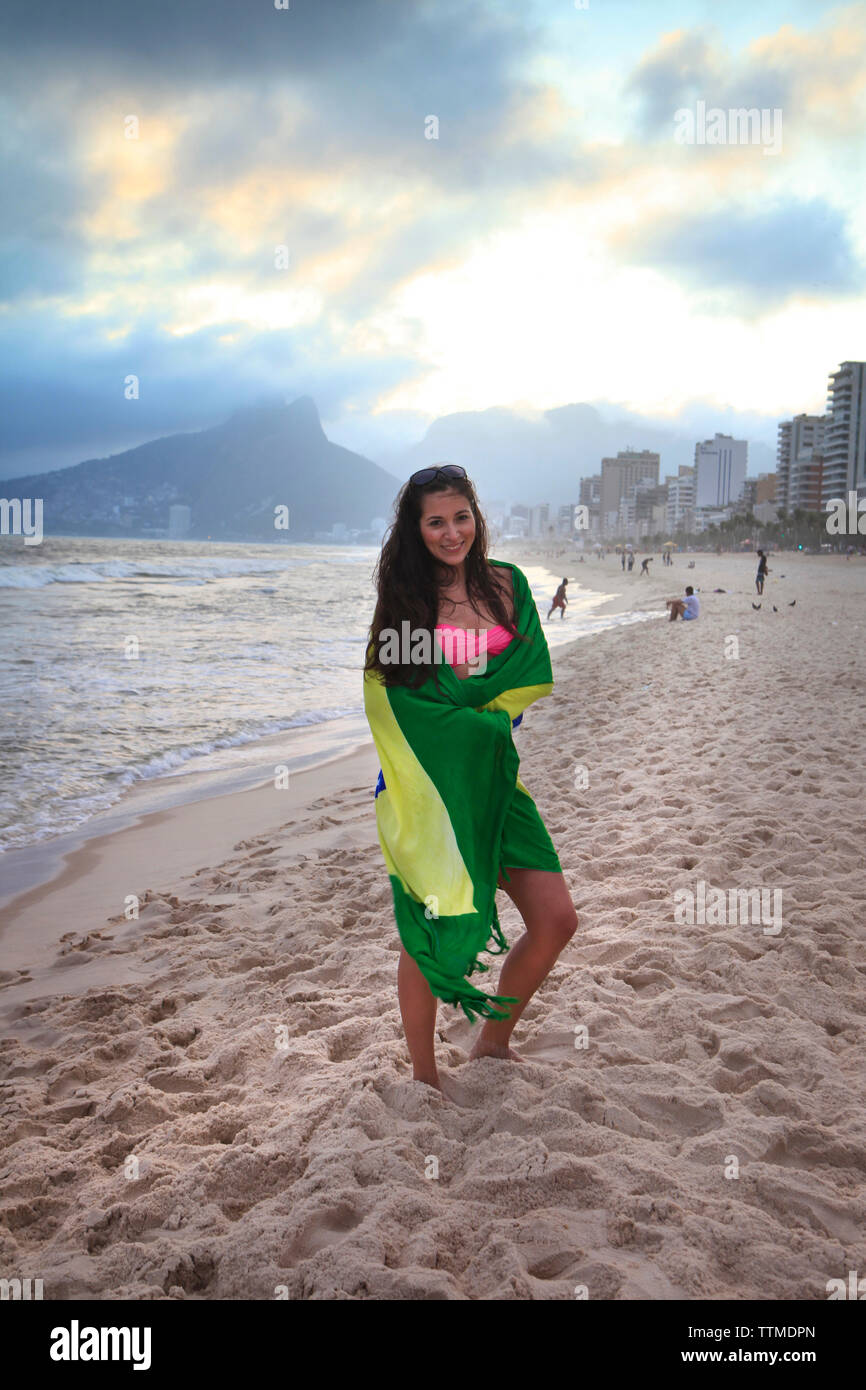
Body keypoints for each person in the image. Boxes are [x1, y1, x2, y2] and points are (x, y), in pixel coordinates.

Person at [362, 464, 578, 1098]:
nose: (451, 532)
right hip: (429, 789)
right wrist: (480, 723)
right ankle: (424, 1075)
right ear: (416, 528)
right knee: (431, 928)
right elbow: (394, 705)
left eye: (461, 517)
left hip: (494, 780)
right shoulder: (407, 603)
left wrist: (487, 722)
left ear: (476, 518)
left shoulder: (507, 584)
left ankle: (492, 1040)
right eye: (436, 521)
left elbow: (529, 668)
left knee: (556, 920)